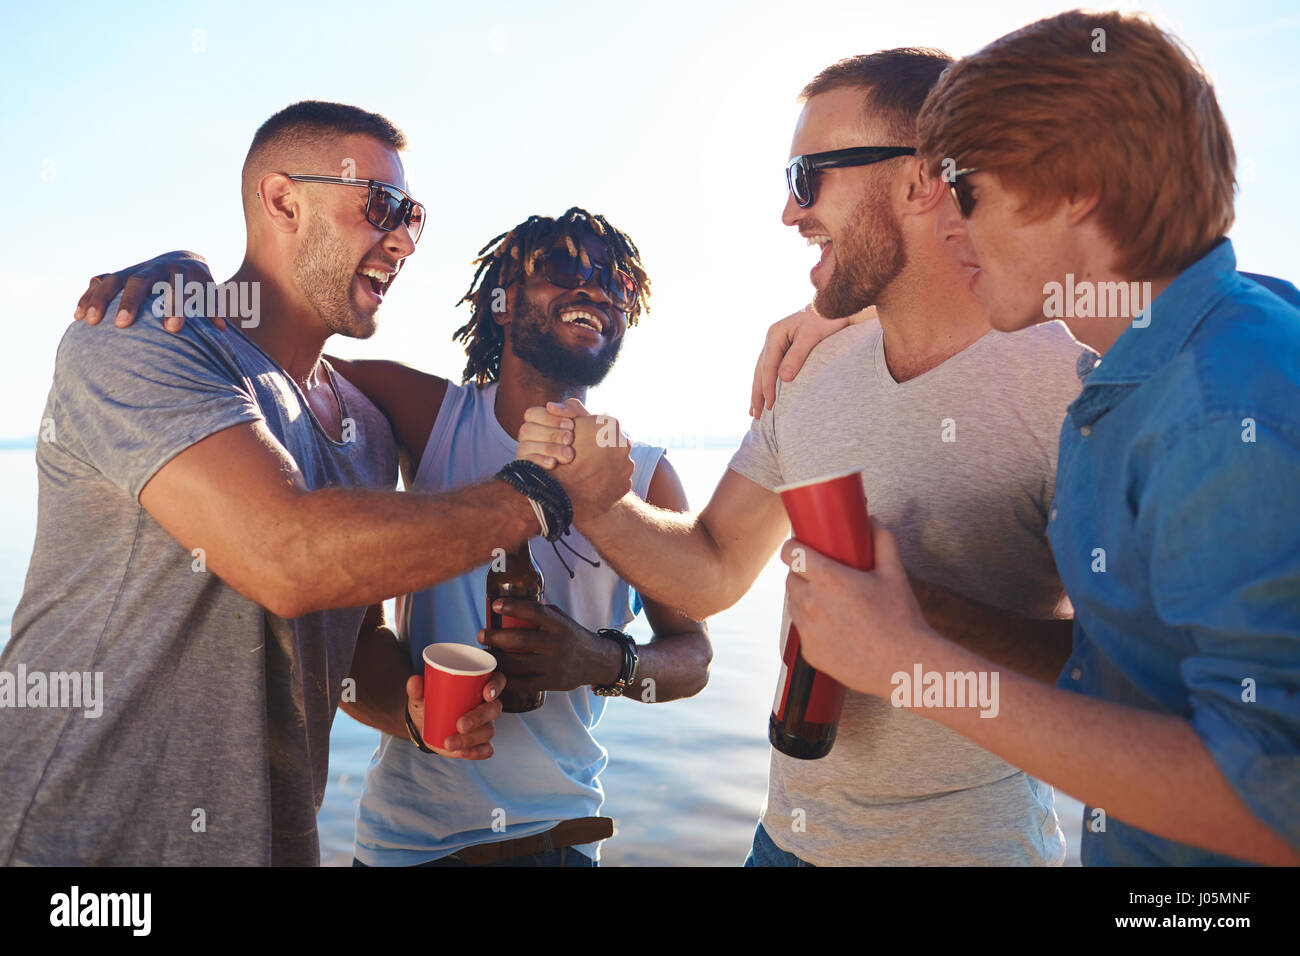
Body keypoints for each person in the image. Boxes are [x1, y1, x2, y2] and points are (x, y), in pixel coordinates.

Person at [1, 102, 630, 866]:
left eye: (414, 217)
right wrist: (540, 492)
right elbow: (286, 556)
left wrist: (410, 709)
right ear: (282, 201)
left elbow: (355, 637)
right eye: (381, 205)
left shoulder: (364, 427)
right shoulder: (143, 337)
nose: (401, 238)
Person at [519, 49, 1088, 866]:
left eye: (807, 176)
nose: (791, 214)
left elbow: (1129, 669)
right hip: (784, 843)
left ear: (923, 177)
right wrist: (600, 499)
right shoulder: (812, 369)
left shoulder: (1066, 384)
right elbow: (712, 567)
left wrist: (920, 620)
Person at [777, 11, 1300, 866]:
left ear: (1075, 188)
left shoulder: (1220, 403)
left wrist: (908, 665)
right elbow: (1128, 683)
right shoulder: (1150, 369)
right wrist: (924, 617)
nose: (953, 229)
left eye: (970, 194)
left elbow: (1275, 799)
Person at [72, 208, 711, 867]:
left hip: (558, 842)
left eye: (614, 284)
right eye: (565, 271)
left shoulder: (649, 477)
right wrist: (189, 279)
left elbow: (692, 655)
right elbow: (275, 358)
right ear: (503, 302)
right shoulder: (425, 414)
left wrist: (602, 662)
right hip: (404, 846)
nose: (594, 291)